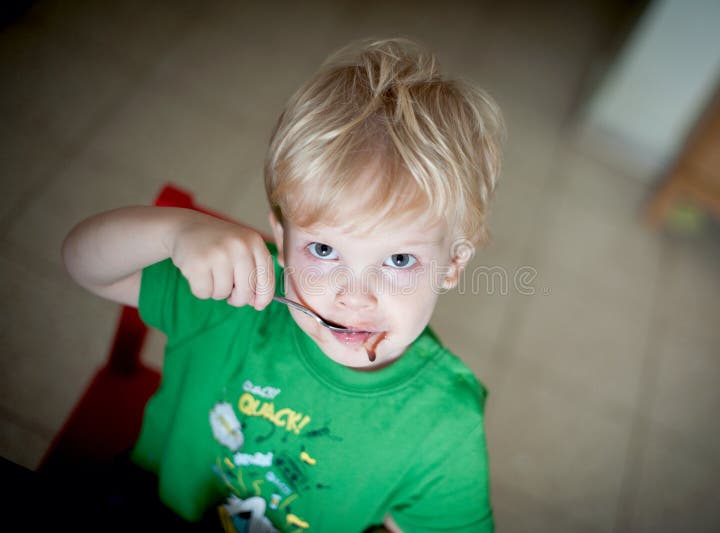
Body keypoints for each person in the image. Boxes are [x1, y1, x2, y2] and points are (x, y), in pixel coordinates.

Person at [62, 37, 504, 532]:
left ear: (452, 265)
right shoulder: (231, 299)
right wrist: (173, 231)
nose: (353, 295)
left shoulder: (442, 426)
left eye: (399, 259)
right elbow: (82, 262)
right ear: (281, 237)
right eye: (322, 250)